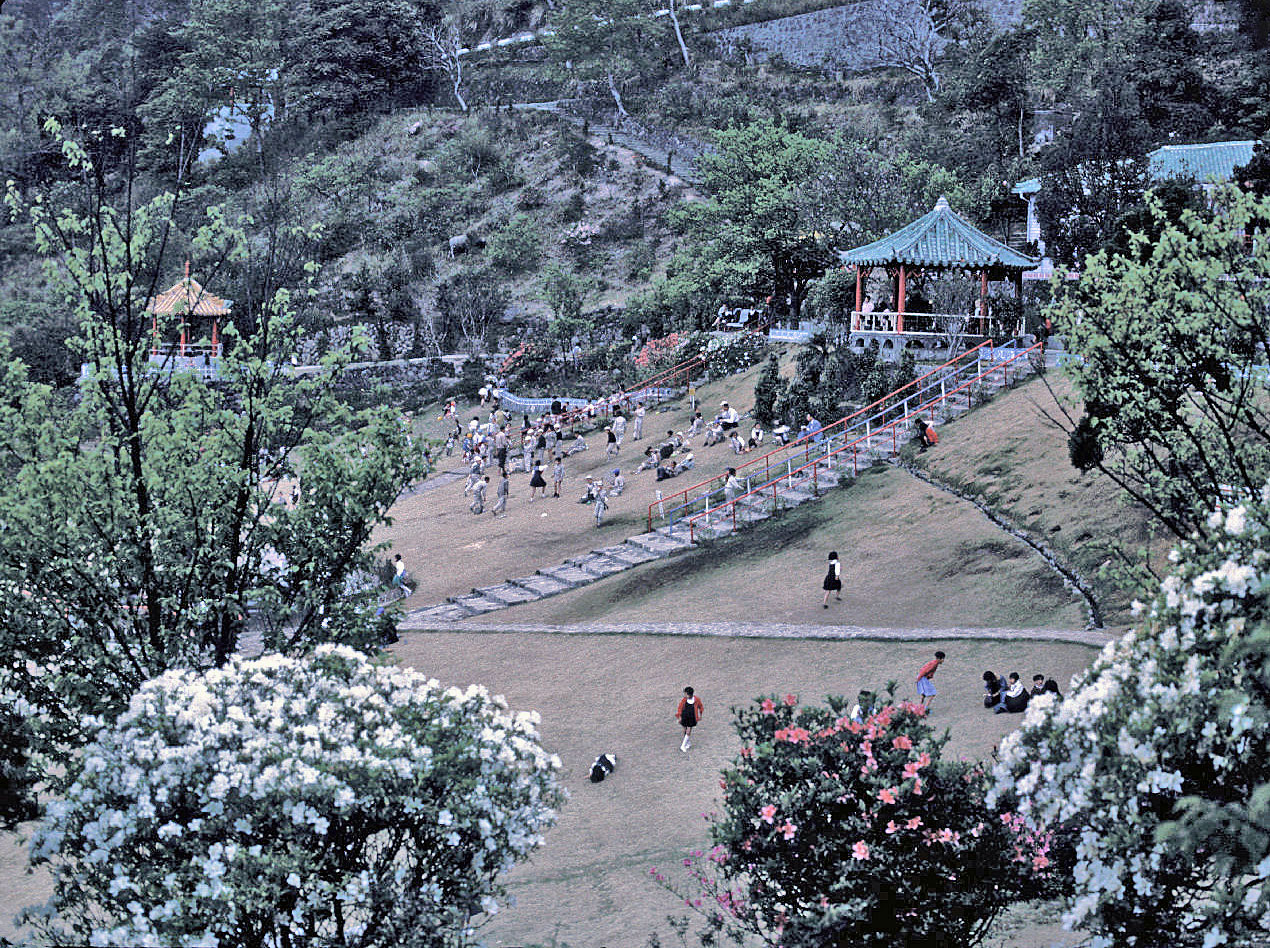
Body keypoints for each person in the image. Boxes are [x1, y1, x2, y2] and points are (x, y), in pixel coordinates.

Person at [676, 686, 704, 752]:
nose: (685, 695)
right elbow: (680, 708)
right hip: (684, 716)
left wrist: (700, 715)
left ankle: (683, 746)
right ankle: (688, 743)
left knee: (688, 731)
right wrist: (680, 716)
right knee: (685, 730)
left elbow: (701, 707)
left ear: (689, 694)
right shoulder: (684, 700)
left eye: (686, 694)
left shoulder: (696, 699)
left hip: (692, 717)